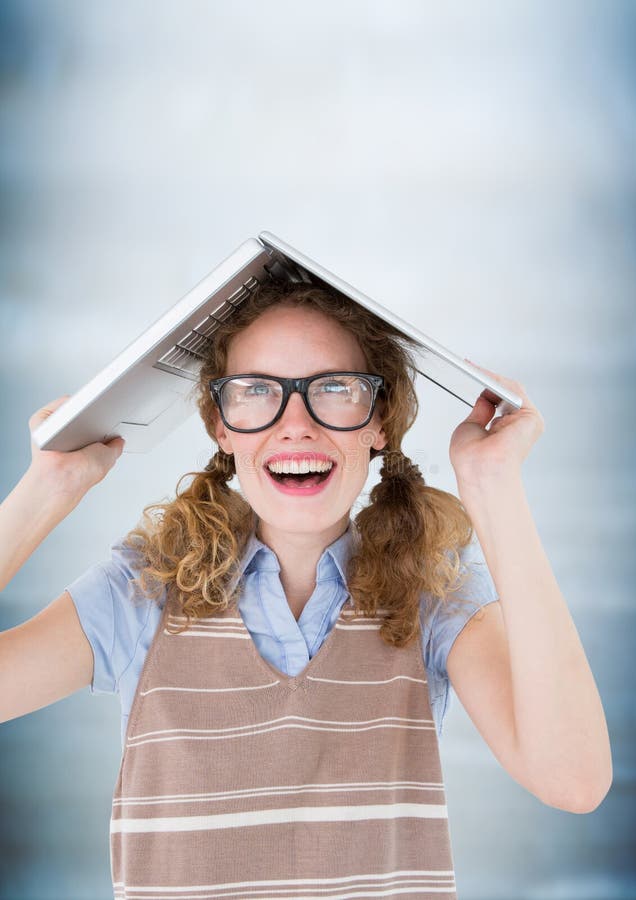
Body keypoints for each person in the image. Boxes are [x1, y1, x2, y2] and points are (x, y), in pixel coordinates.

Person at [0, 279, 612, 899]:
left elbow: (574, 781)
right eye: (256, 390)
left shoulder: (432, 587)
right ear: (220, 425)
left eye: (335, 389)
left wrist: (493, 484)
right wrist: (45, 491)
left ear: (379, 420)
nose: (295, 426)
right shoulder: (144, 587)